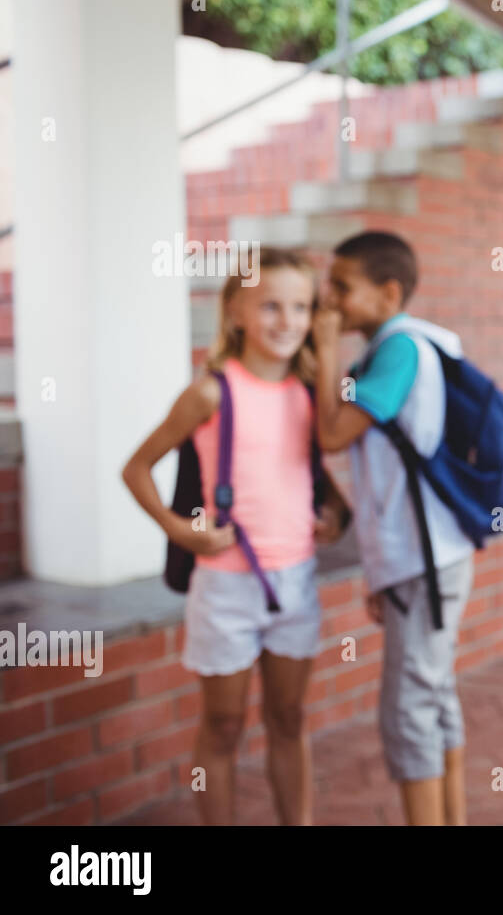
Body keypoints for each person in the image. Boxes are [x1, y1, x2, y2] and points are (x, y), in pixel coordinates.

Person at [122, 247, 350, 825]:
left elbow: (312, 473)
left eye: (300, 307)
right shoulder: (211, 392)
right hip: (225, 588)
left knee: (289, 718)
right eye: (270, 305)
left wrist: (334, 518)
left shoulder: (308, 392)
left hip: (295, 581)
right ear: (235, 314)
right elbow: (136, 468)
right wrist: (181, 530)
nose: (287, 320)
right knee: (223, 724)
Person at [312, 231, 477, 826]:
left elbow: (333, 433)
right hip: (422, 556)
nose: (329, 300)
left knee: (407, 710)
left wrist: (327, 346)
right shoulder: (399, 344)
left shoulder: (400, 350)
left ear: (386, 293)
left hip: (425, 559)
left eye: (341, 288)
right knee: (431, 696)